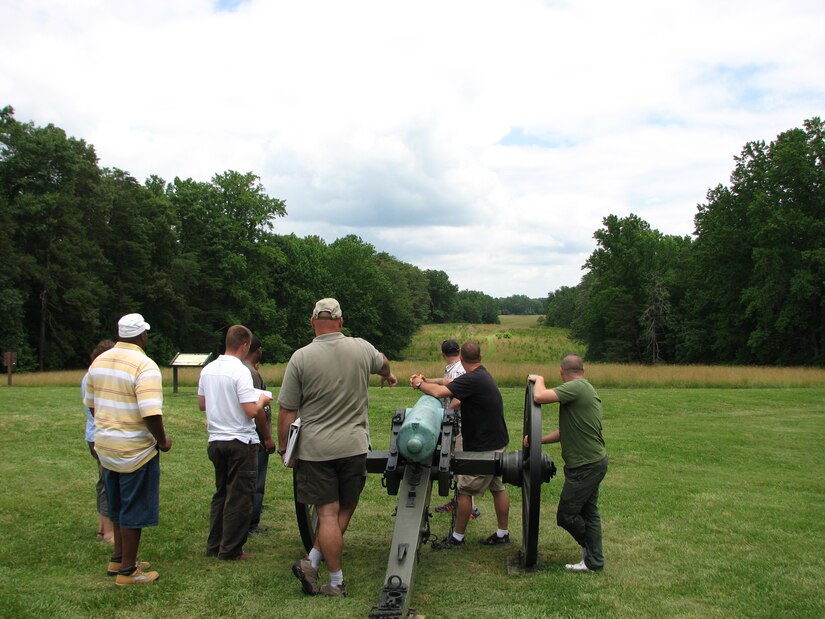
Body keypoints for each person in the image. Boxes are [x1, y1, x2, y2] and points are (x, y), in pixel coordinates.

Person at [279, 298, 397, 597]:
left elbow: (287, 411)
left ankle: (324, 570)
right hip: (354, 445)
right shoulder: (361, 348)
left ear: (312, 321)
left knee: (327, 514)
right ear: (341, 321)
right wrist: (388, 375)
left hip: (316, 449)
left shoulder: (300, 358)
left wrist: (285, 449)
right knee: (346, 507)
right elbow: (383, 363)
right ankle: (330, 579)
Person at [83, 313, 172, 586]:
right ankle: (128, 572)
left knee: (117, 504)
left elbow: (91, 404)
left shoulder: (99, 362)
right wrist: (162, 439)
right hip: (134, 449)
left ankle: (119, 558)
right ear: (142, 336)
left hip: (105, 445)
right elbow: (150, 412)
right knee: (134, 507)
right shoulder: (144, 365)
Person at [410, 341, 510, 549]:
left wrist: (419, 384)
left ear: (462, 360)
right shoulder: (481, 374)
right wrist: (428, 379)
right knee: (497, 486)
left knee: (464, 490)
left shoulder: (472, 380)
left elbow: (438, 393)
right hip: (498, 441)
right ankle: (503, 533)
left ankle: (457, 537)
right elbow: (448, 381)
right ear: (480, 357)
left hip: (484, 446)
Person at [527, 353, 608, 572]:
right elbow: (565, 431)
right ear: (583, 369)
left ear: (562, 372)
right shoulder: (583, 389)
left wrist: (539, 379)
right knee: (589, 513)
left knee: (566, 515)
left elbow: (540, 397)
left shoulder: (577, 387)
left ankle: (592, 552)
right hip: (591, 462)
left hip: (586, 465)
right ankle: (594, 561)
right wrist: (538, 440)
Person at [199, 325, 273, 560]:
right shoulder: (241, 371)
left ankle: (214, 545)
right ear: (244, 346)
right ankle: (231, 550)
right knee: (240, 497)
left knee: (221, 493)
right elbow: (251, 411)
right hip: (241, 440)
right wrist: (262, 399)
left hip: (216, 440)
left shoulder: (208, 369)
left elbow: (202, 404)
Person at [431, 339, 480, 520]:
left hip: (460, 424)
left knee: (459, 464)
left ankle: (471, 507)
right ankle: (458, 501)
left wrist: (447, 413)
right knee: (454, 463)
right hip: (456, 424)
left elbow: (460, 398)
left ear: (443, 354)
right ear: (458, 352)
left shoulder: (458, 370)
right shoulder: (456, 368)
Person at [82, 339, 115, 543]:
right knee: (109, 483)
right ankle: (110, 532)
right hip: (99, 436)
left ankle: (102, 527)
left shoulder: (89, 375)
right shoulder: (96, 377)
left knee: (103, 481)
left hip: (92, 434)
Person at [244, 334, 271, 536]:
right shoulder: (251, 373)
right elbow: (257, 409)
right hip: (255, 435)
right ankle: (251, 524)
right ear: (258, 350)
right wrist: (267, 437)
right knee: (256, 482)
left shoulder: (240, 370)